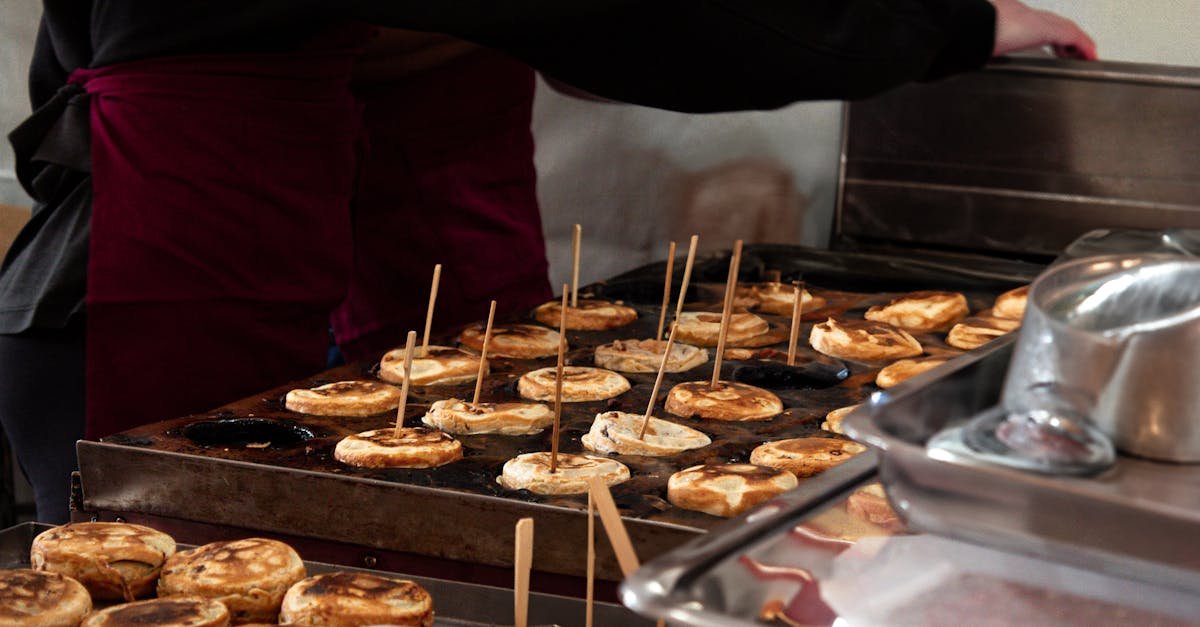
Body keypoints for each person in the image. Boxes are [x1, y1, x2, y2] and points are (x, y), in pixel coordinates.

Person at [0, 1, 1095, 523]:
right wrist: (954, 24)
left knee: (429, 435)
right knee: (180, 509)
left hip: (387, 145)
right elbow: (672, 26)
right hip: (199, 171)